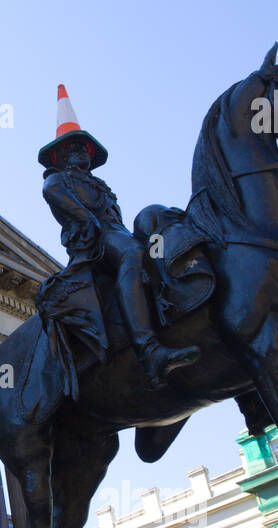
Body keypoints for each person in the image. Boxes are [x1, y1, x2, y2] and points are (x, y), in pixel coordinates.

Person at [35, 87, 200, 390]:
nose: (81, 153)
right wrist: (89, 220)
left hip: (116, 234)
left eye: (85, 149)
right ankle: (148, 349)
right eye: (74, 148)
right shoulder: (57, 179)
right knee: (131, 254)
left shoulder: (100, 185)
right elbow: (53, 194)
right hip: (92, 244)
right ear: (61, 155)